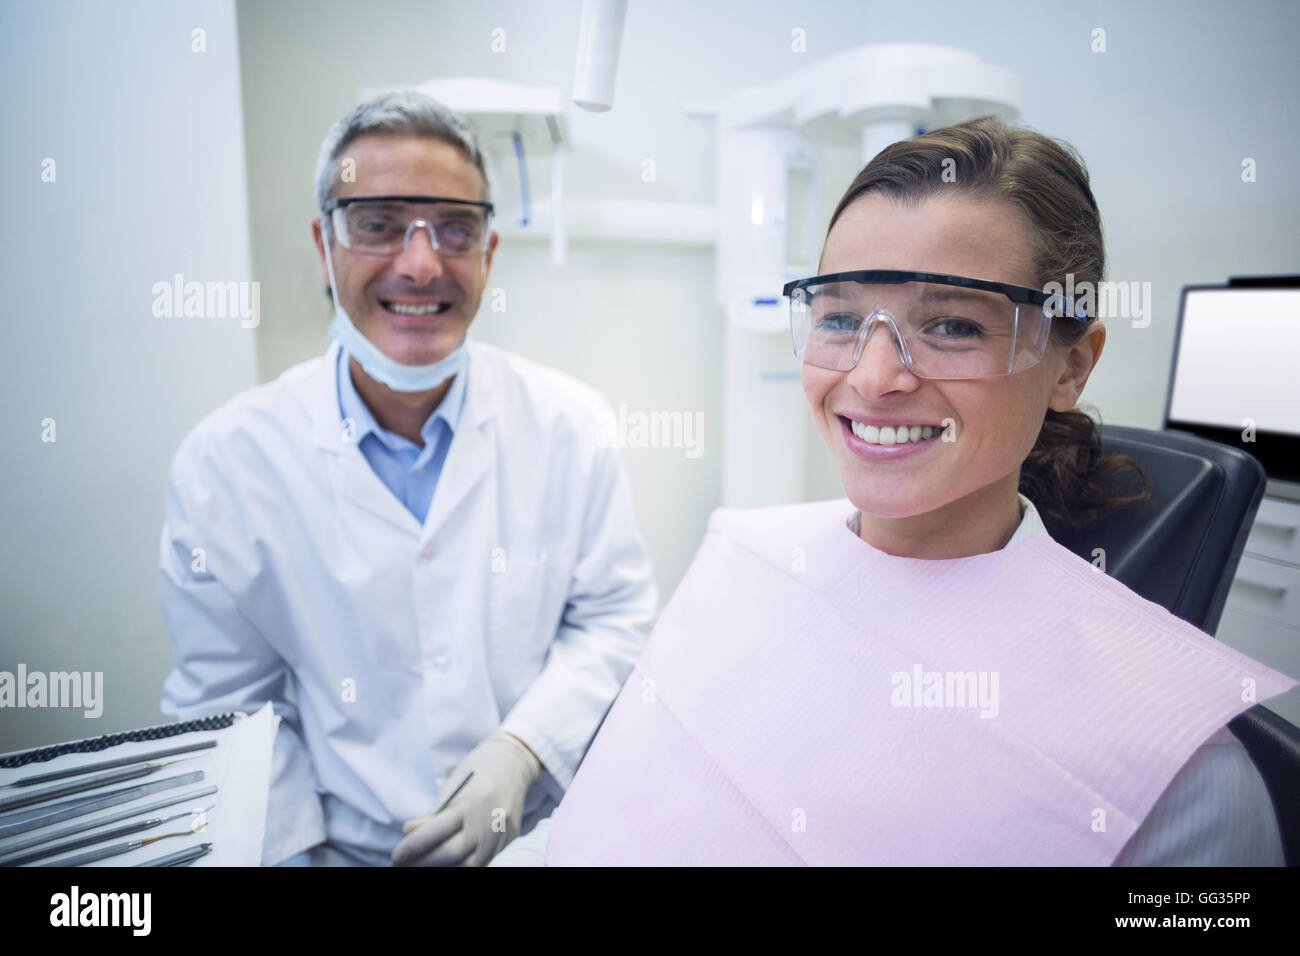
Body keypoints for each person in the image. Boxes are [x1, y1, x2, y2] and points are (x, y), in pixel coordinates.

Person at [493, 116, 1294, 866]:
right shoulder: (745, 557)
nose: (872, 380)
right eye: (841, 318)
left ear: (1072, 365)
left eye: (952, 326)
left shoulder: (1181, 783)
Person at [158, 91, 657, 867]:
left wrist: (524, 748)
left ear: (489, 252)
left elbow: (616, 622)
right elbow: (233, 708)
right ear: (324, 245)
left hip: (541, 839)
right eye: (379, 224)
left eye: (454, 228)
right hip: (336, 851)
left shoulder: (572, 427)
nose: (421, 263)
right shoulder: (226, 464)